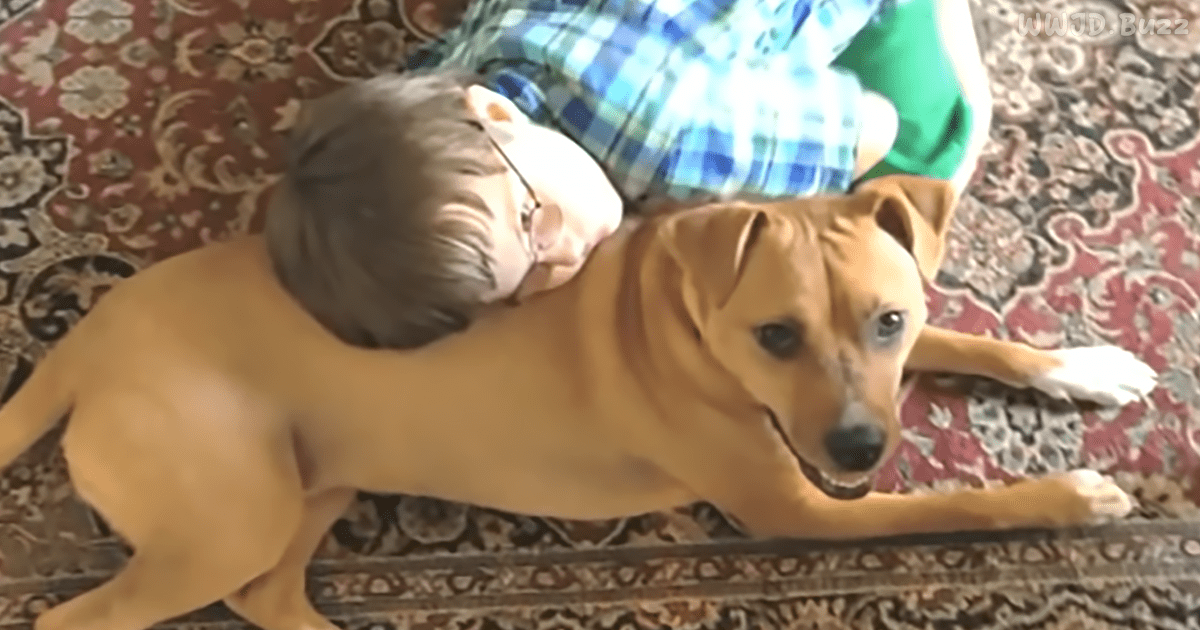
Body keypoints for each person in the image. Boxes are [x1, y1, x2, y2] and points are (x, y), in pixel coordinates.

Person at [264, 0, 993, 348]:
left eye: (532, 221)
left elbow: (874, 129)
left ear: (494, 112)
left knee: (923, 161)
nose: (568, 256)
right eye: (526, 284)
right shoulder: (450, 86)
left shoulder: (676, 146)